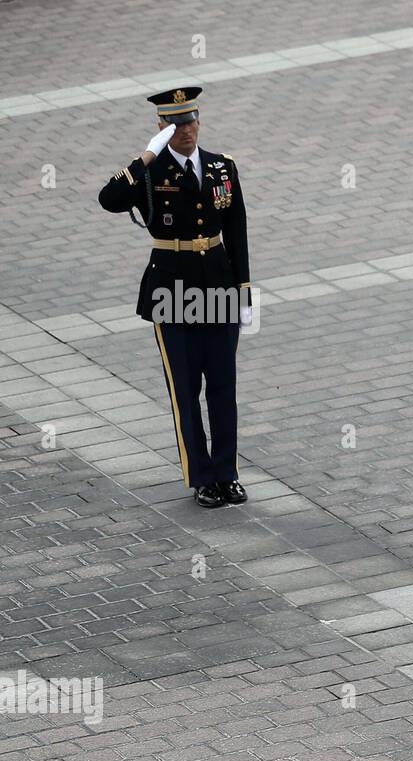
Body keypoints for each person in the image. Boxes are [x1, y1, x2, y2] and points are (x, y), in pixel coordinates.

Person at [98, 87, 251, 509]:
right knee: (186, 388)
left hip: (219, 287)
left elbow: (236, 230)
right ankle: (201, 476)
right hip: (172, 290)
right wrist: (146, 156)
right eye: (176, 124)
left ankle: (227, 472)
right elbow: (109, 199)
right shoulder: (149, 172)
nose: (187, 130)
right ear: (162, 128)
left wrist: (244, 293)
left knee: (223, 386)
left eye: (192, 120)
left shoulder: (222, 167)